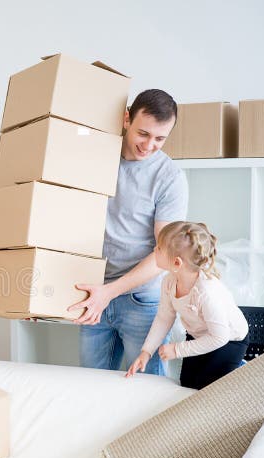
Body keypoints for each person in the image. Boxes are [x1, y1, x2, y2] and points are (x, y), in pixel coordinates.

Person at [69, 89, 188, 376]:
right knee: (90, 385)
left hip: (142, 300)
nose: (149, 145)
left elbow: (165, 253)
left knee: (146, 392)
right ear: (126, 119)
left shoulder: (169, 177)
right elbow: (65, 222)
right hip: (94, 293)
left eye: (160, 139)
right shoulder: (95, 160)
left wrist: (109, 293)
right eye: (143, 134)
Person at [126, 222, 249, 389]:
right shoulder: (169, 281)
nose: (154, 250)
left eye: (159, 248)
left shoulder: (207, 293)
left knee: (207, 389)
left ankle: (241, 367)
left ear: (177, 263)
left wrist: (177, 350)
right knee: (188, 385)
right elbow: (164, 318)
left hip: (229, 340)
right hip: (200, 335)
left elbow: (219, 337)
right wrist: (146, 351)